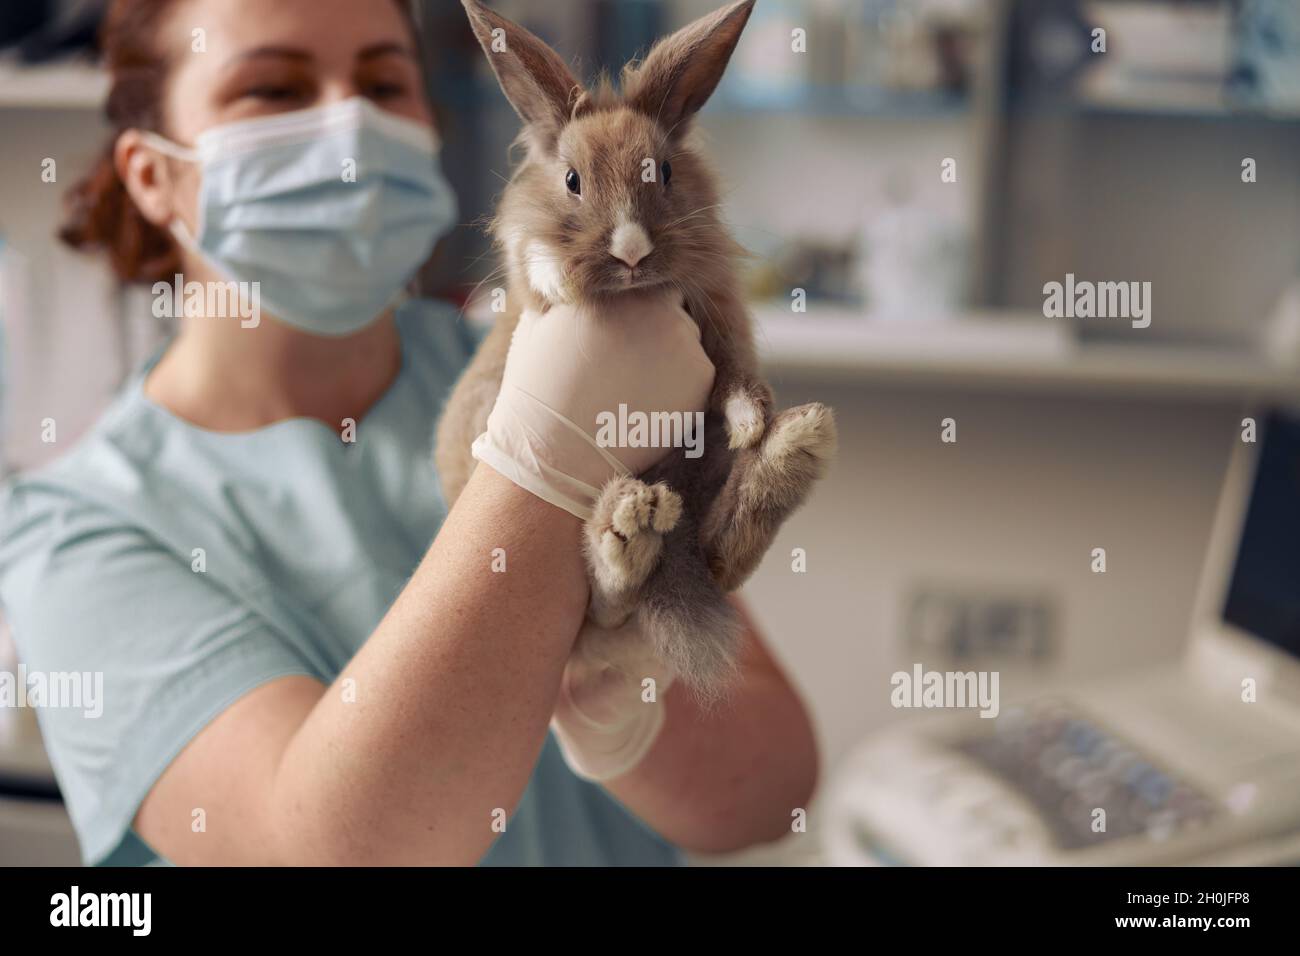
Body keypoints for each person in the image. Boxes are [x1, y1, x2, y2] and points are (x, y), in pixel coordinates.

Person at [0, 0, 817, 866]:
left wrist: (624, 710)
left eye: (386, 81)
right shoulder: (76, 535)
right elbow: (325, 853)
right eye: (272, 88)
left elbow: (769, 788)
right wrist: (539, 466)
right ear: (151, 173)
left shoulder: (557, 363)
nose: (349, 125)